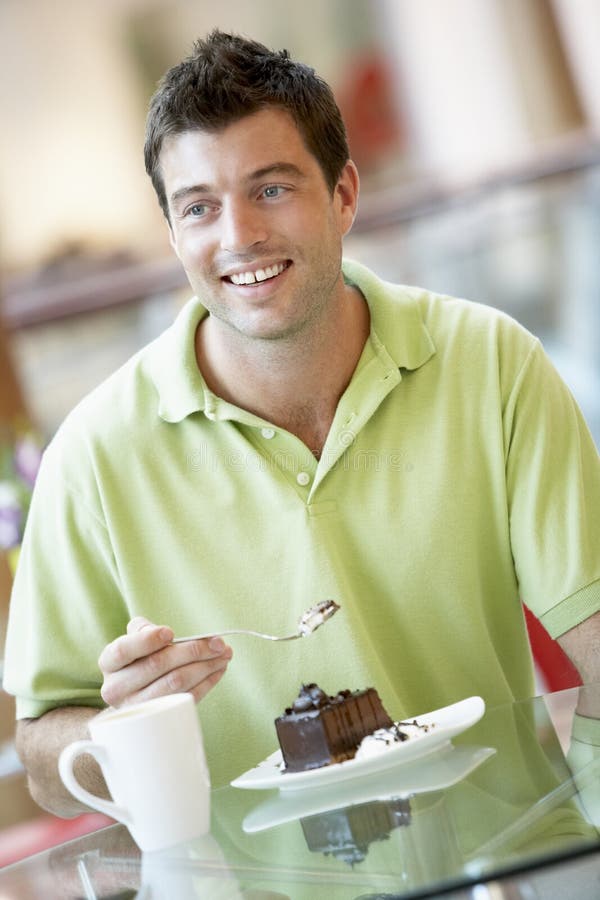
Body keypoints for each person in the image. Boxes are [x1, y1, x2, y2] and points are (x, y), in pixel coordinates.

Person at [4, 30, 600, 817]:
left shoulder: (490, 363)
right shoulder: (92, 455)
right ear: (174, 233)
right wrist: (126, 731)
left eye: (272, 189)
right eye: (199, 208)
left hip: (501, 866)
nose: (238, 235)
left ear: (344, 194)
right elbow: (44, 763)